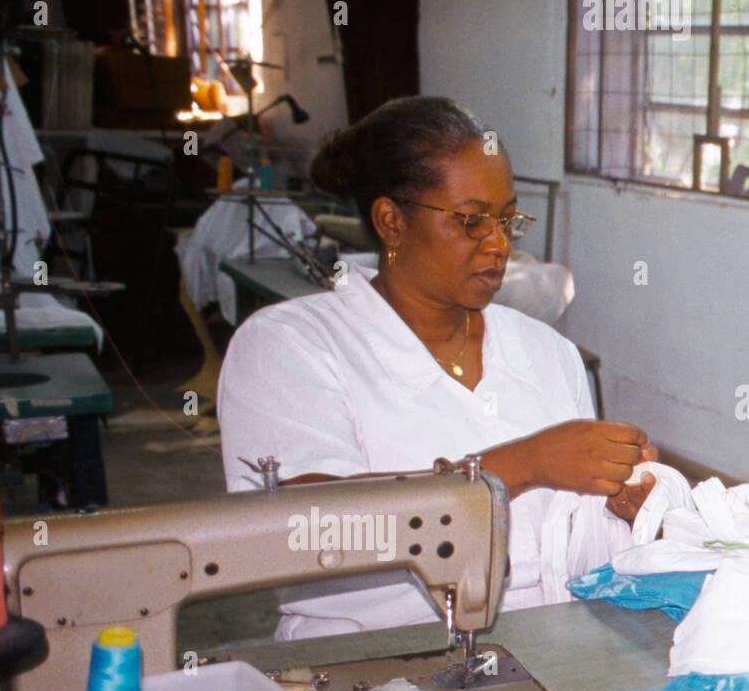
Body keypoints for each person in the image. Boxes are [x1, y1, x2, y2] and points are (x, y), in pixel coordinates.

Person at [218, 96, 657, 638]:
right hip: (359, 662)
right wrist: (521, 465)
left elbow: (574, 549)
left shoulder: (548, 353)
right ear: (391, 222)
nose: (498, 245)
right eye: (472, 221)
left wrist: (623, 505)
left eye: (506, 220)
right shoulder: (290, 346)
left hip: (549, 649)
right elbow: (303, 535)